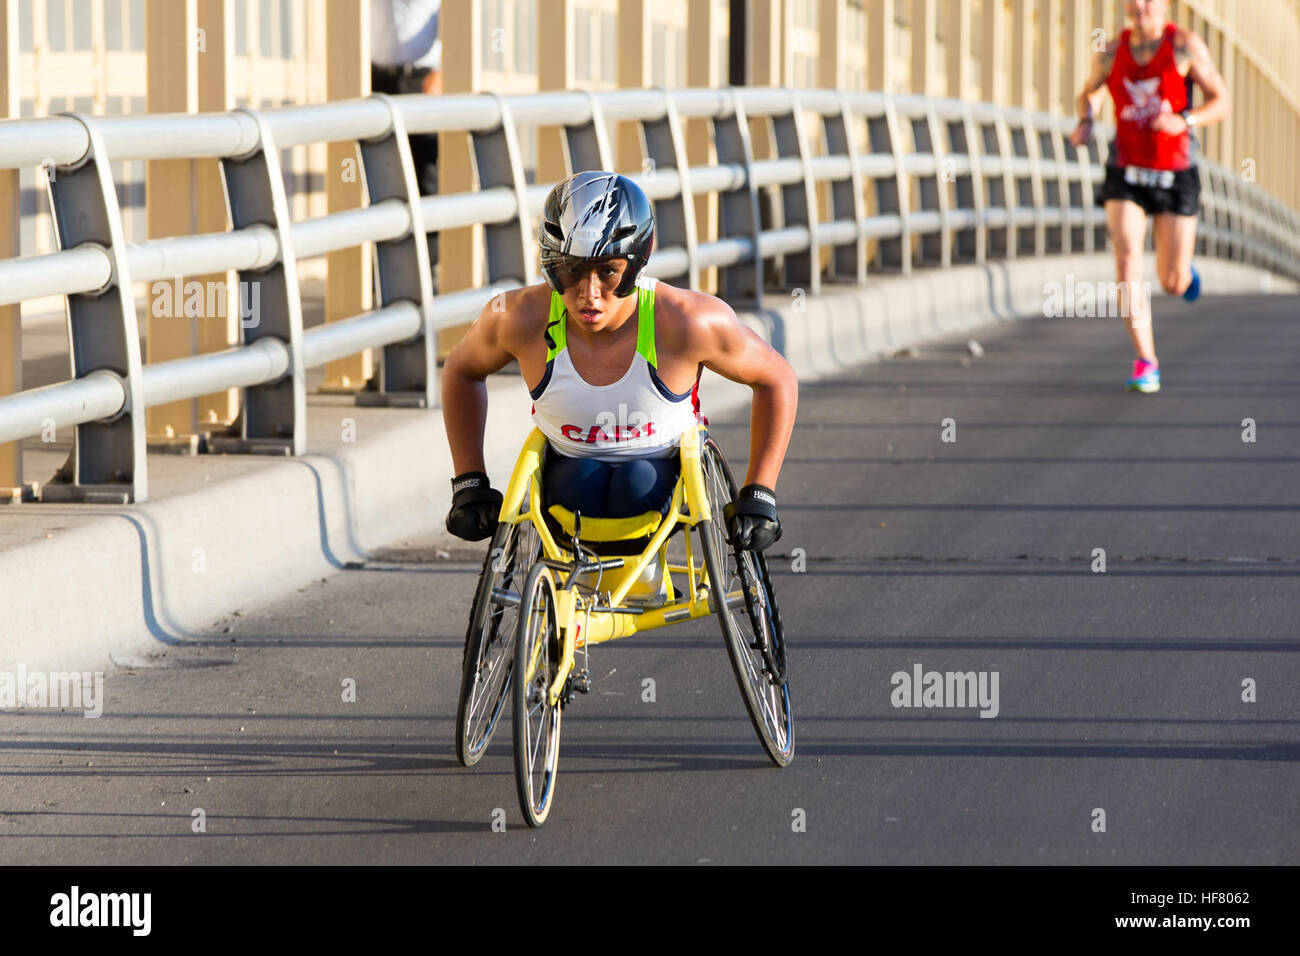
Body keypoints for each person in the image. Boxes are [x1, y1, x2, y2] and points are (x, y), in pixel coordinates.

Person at [440, 171, 797, 558]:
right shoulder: (516, 317)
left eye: (608, 272)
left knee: (634, 481)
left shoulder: (687, 321)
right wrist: (469, 480)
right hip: (568, 476)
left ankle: (638, 572)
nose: (588, 295)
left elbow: (776, 378)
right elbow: (462, 370)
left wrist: (760, 492)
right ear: (549, 264)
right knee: (582, 481)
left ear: (637, 261)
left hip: (657, 473)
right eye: (571, 270)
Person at [1070, 0, 1229, 393]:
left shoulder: (1185, 46)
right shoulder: (1111, 52)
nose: (1139, 6)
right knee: (1127, 261)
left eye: (1148, 0)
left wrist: (1184, 120)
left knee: (1171, 281)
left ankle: (1185, 275)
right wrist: (1087, 120)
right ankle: (1147, 361)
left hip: (1175, 172)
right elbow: (1089, 93)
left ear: (1164, 5)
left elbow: (1222, 101)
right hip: (1127, 170)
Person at [371, 0, 441, 287]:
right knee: (379, 178)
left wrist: (443, 71)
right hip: (377, 78)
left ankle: (427, 272)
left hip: (422, 81)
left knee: (426, 176)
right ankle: (380, 275)